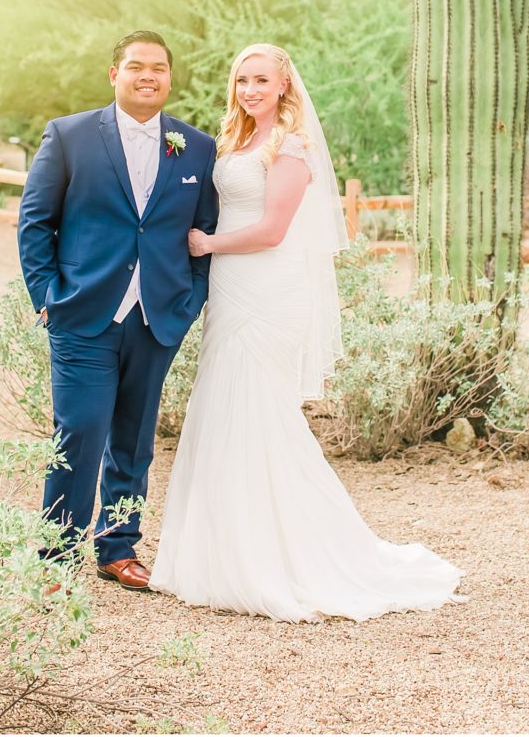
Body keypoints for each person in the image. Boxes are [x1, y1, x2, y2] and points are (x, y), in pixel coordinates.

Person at [149, 43, 466, 621]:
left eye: (262, 80)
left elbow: (272, 230)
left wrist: (208, 244)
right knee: (222, 406)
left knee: (259, 410)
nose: (250, 89)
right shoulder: (234, 140)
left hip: (268, 288)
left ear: (284, 86)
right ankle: (220, 553)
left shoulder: (290, 147)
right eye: (242, 79)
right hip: (230, 289)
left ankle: (280, 558)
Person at [18, 31, 218, 590]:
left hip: (158, 318)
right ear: (115, 75)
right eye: (135, 67)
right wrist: (46, 299)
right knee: (79, 433)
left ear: (170, 79)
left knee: (134, 438)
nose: (146, 75)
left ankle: (118, 547)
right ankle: (57, 557)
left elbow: (204, 231)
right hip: (82, 314)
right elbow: (35, 222)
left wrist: (190, 299)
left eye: (157, 67)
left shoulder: (195, 147)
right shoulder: (70, 135)